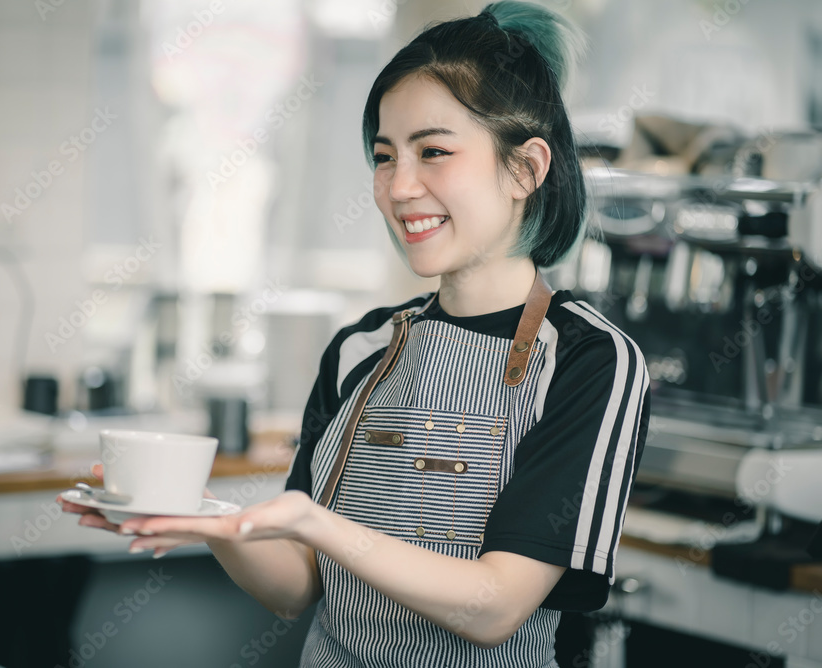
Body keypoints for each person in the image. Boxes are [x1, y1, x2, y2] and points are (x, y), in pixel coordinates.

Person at [61, 2, 652, 665]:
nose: (399, 187)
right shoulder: (361, 348)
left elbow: (494, 605)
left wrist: (315, 520)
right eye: (383, 155)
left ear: (525, 169)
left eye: (433, 152)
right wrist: (217, 524)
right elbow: (296, 586)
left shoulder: (589, 361)